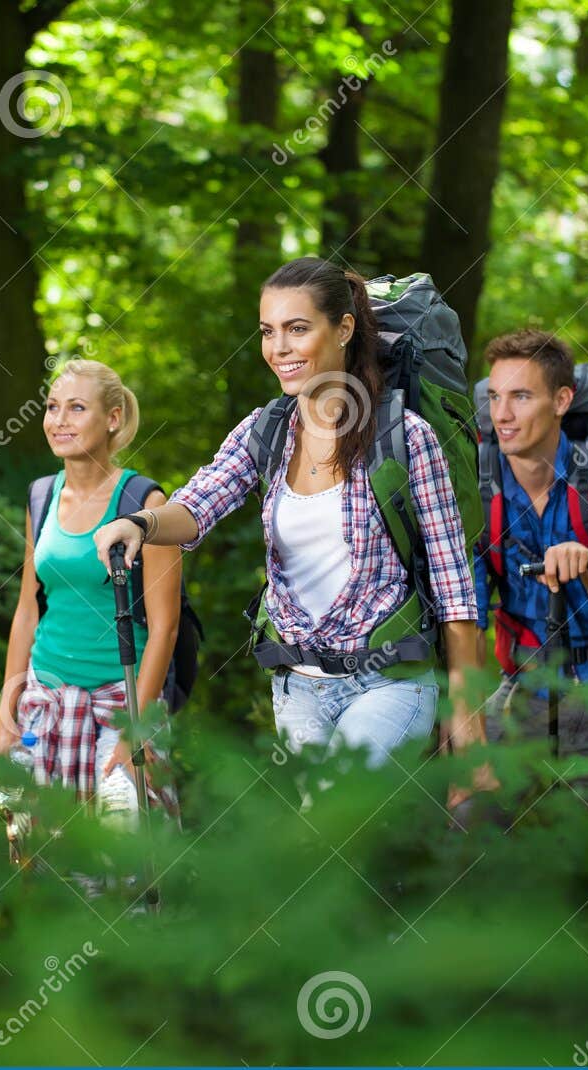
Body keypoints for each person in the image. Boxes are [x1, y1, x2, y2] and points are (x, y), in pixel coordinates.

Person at [93, 257, 487, 788]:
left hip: (389, 683)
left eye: (297, 329)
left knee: (331, 814)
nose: (278, 349)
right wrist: (141, 523)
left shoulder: (404, 436)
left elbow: (455, 592)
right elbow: (197, 505)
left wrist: (471, 737)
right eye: (268, 332)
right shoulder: (269, 429)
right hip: (296, 690)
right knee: (328, 859)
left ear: (344, 329)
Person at [0, 360, 181, 823]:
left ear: (112, 418)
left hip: (121, 701)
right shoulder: (41, 496)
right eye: (53, 407)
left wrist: (134, 731)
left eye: (76, 408)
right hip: (46, 698)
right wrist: (5, 714)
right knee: (44, 847)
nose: (59, 420)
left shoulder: (145, 503)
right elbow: (27, 611)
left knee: (128, 853)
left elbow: (165, 628)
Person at [474, 329, 588, 778]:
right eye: (496, 397)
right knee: (474, 830)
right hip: (520, 691)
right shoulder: (478, 490)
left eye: (521, 397)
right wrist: (469, 731)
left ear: (561, 401)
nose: (503, 414)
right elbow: (466, 621)